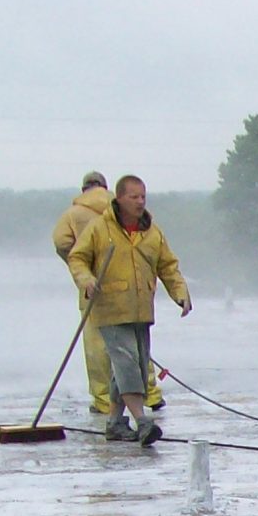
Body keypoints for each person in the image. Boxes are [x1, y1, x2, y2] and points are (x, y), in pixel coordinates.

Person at [66, 175, 191, 446]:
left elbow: (168, 265)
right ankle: (142, 420)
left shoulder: (152, 232)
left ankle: (115, 423)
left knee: (128, 365)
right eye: (134, 197)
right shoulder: (100, 228)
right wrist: (86, 279)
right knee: (126, 362)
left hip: (141, 309)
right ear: (119, 198)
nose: (140, 201)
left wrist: (180, 293)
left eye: (143, 196)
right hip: (109, 308)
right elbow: (77, 257)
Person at [51, 171, 163, 416]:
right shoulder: (122, 212)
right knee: (135, 347)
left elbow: (62, 243)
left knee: (99, 348)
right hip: (131, 290)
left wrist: (84, 270)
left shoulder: (73, 214)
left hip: (94, 289)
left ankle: (103, 401)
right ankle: (151, 394)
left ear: (84, 190)